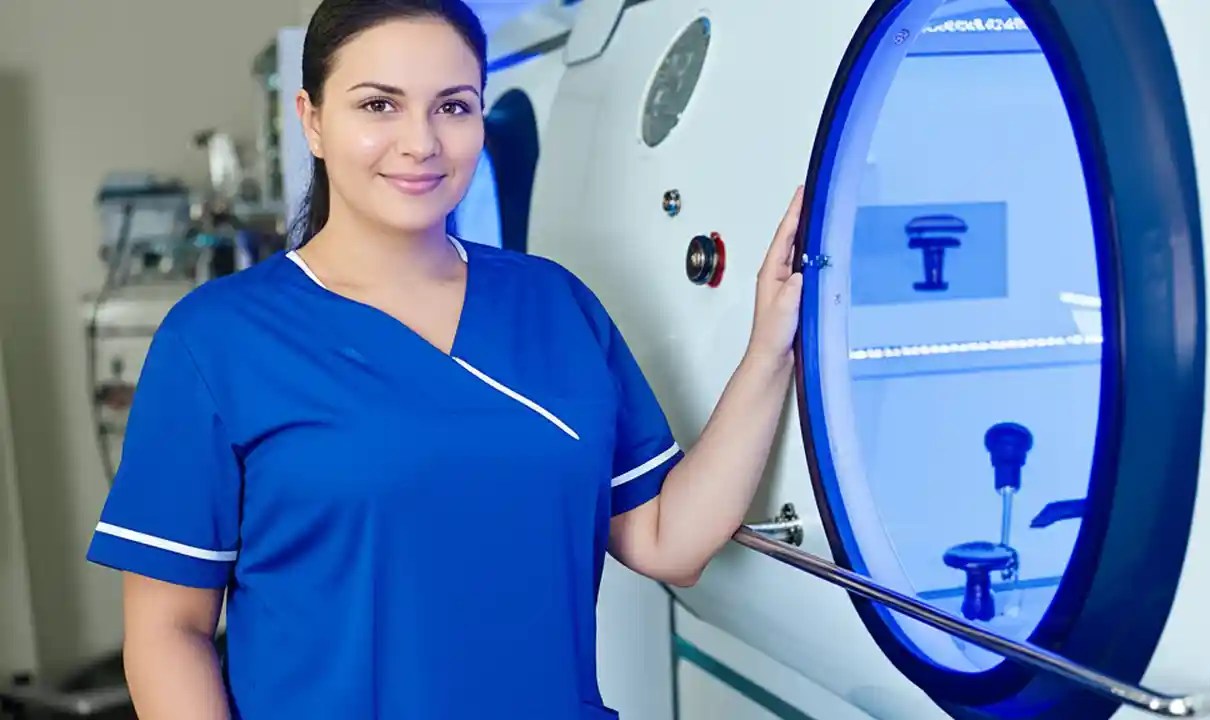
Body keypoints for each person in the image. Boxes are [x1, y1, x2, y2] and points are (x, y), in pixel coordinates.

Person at [85, 0, 805, 717]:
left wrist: (769, 346)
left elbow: (665, 540)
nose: (421, 142)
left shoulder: (554, 306)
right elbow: (167, 632)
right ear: (312, 120)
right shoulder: (218, 341)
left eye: (453, 107)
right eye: (378, 105)